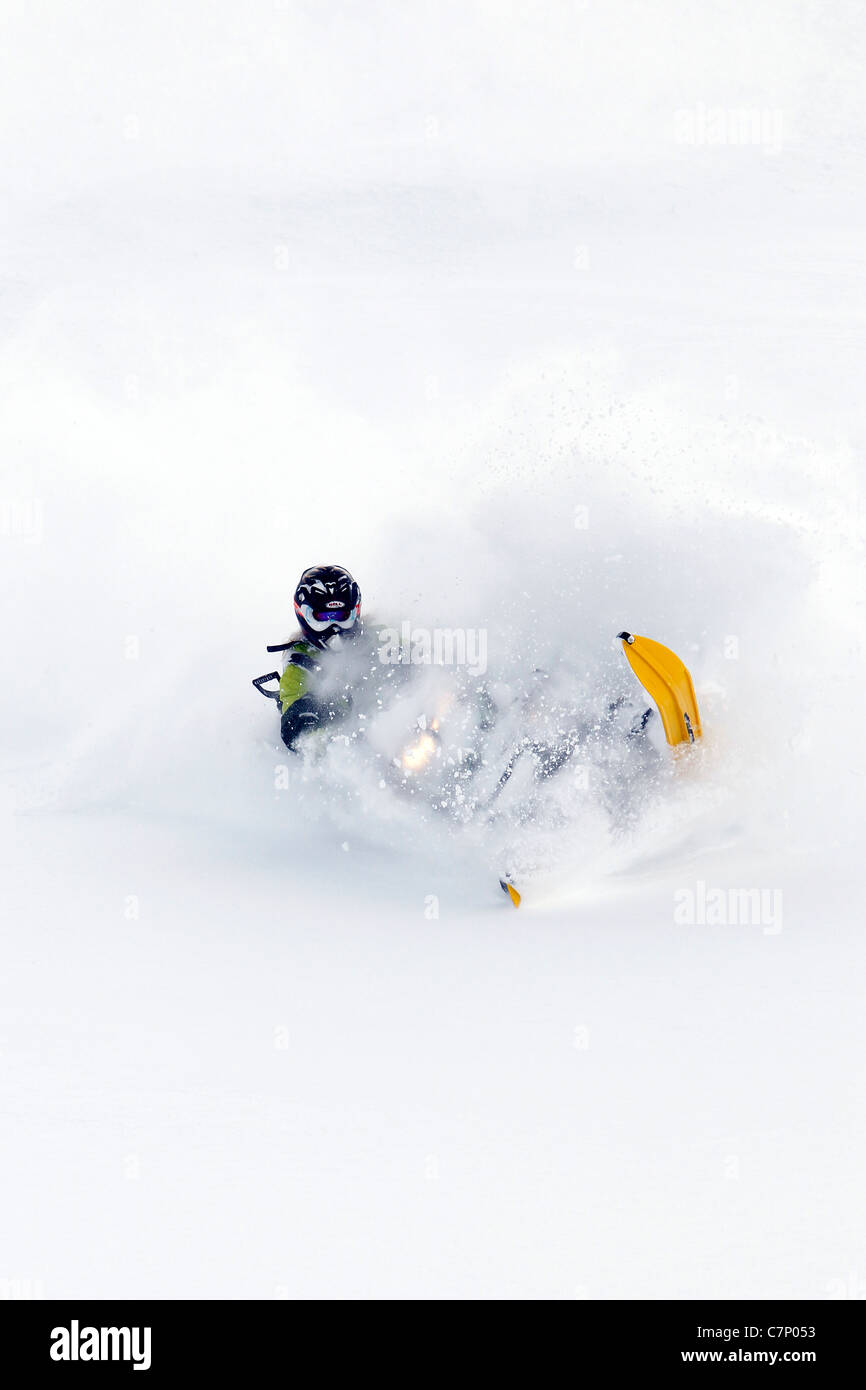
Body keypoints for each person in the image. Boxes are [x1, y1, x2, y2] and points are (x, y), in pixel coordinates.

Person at [277, 564, 362, 751]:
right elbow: (297, 733)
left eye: (341, 615)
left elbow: (415, 653)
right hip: (357, 751)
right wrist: (304, 717)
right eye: (323, 617)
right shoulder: (298, 666)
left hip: (402, 735)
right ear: (304, 616)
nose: (334, 626)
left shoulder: (377, 637)